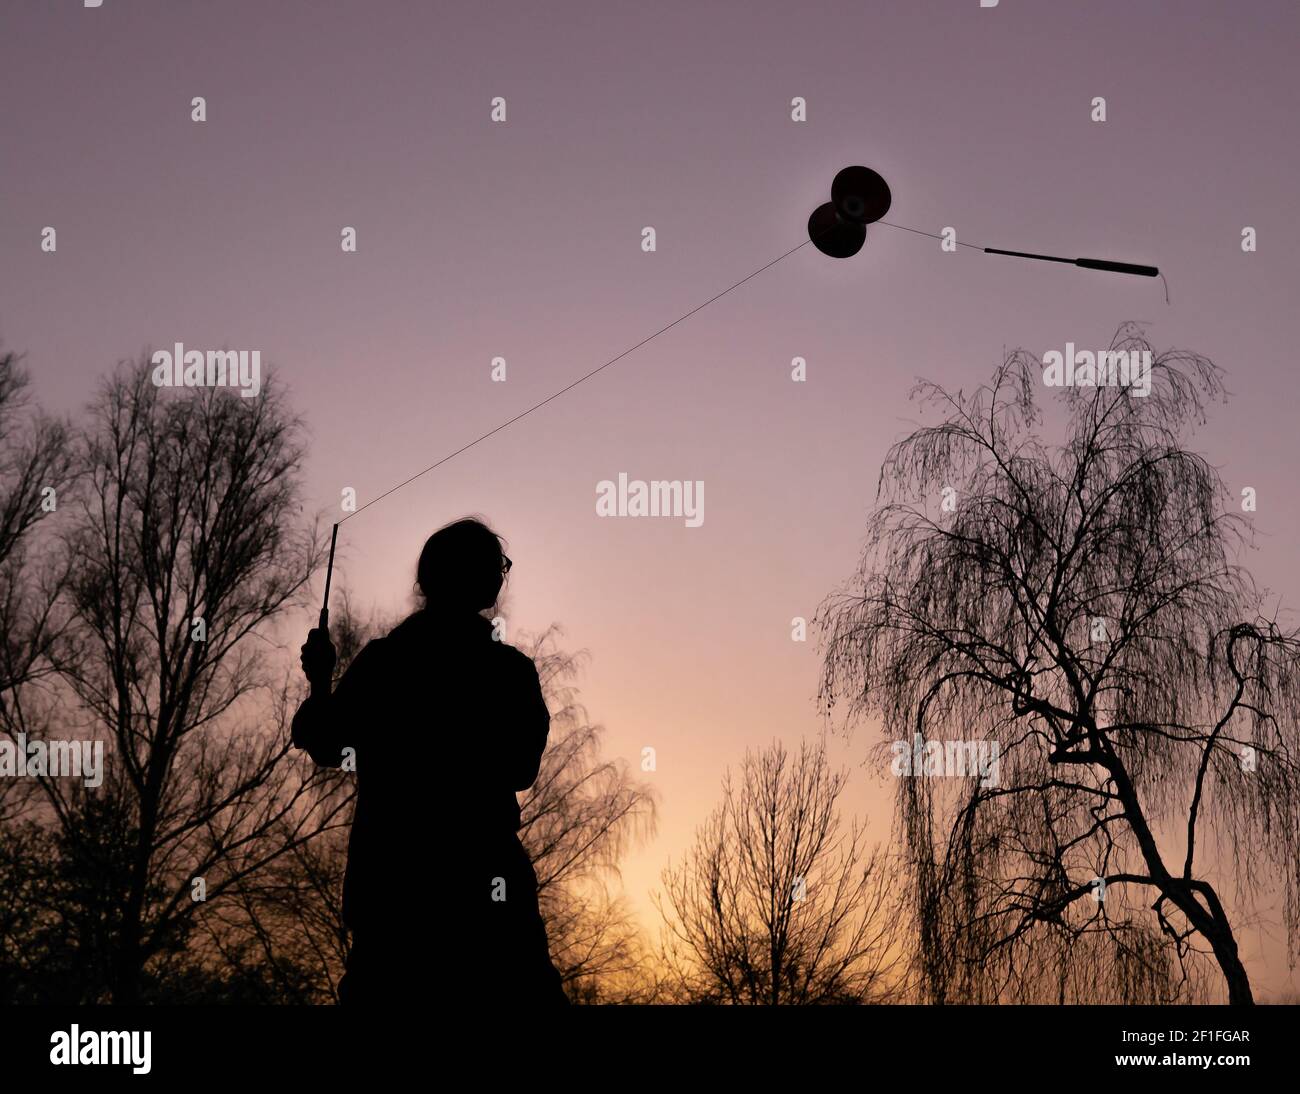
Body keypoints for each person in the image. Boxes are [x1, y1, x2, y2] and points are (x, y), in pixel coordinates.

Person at [293, 517, 568, 1006]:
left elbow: (327, 744)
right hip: (487, 892)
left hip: (394, 893)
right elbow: (523, 768)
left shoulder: (385, 663)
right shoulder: (509, 672)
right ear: (479, 578)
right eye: (496, 566)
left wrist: (320, 680)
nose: (501, 576)